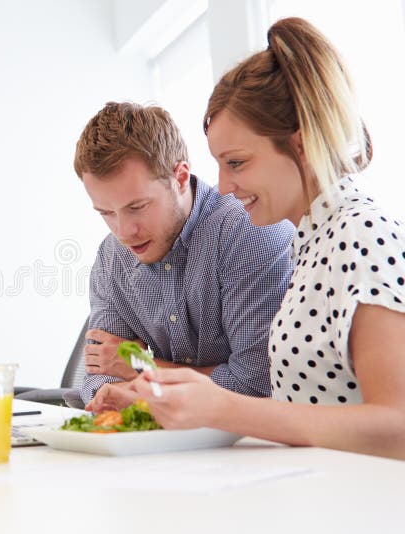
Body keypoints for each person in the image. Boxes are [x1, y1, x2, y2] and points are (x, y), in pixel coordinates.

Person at [87, 17, 405, 460]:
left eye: (236, 163)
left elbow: (398, 427)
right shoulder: (313, 242)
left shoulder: (360, 234)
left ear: (301, 144)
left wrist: (223, 407)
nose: (224, 185)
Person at [73, 101, 294, 405]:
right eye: (106, 213)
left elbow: (254, 385)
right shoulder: (112, 257)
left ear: (179, 177)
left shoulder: (248, 230)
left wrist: (141, 366)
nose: (124, 231)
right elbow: (99, 374)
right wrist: (128, 385)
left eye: (137, 207)